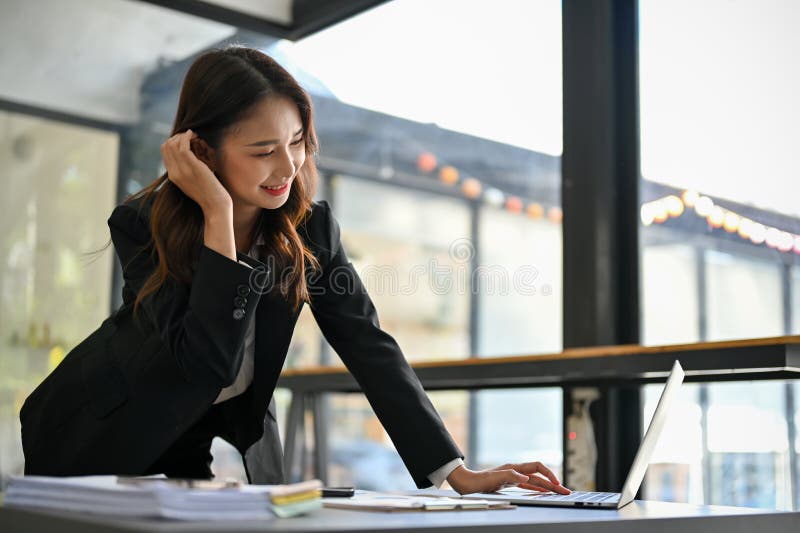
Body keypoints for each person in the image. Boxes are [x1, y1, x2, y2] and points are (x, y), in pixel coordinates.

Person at [19, 46, 570, 496]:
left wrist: (456, 473)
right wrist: (218, 213)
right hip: (99, 436)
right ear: (202, 152)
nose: (288, 168)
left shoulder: (308, 228)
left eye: (297, 142)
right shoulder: (142, 224)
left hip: (197, 444)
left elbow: (367, 343)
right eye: (263, 151)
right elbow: (205, 360)